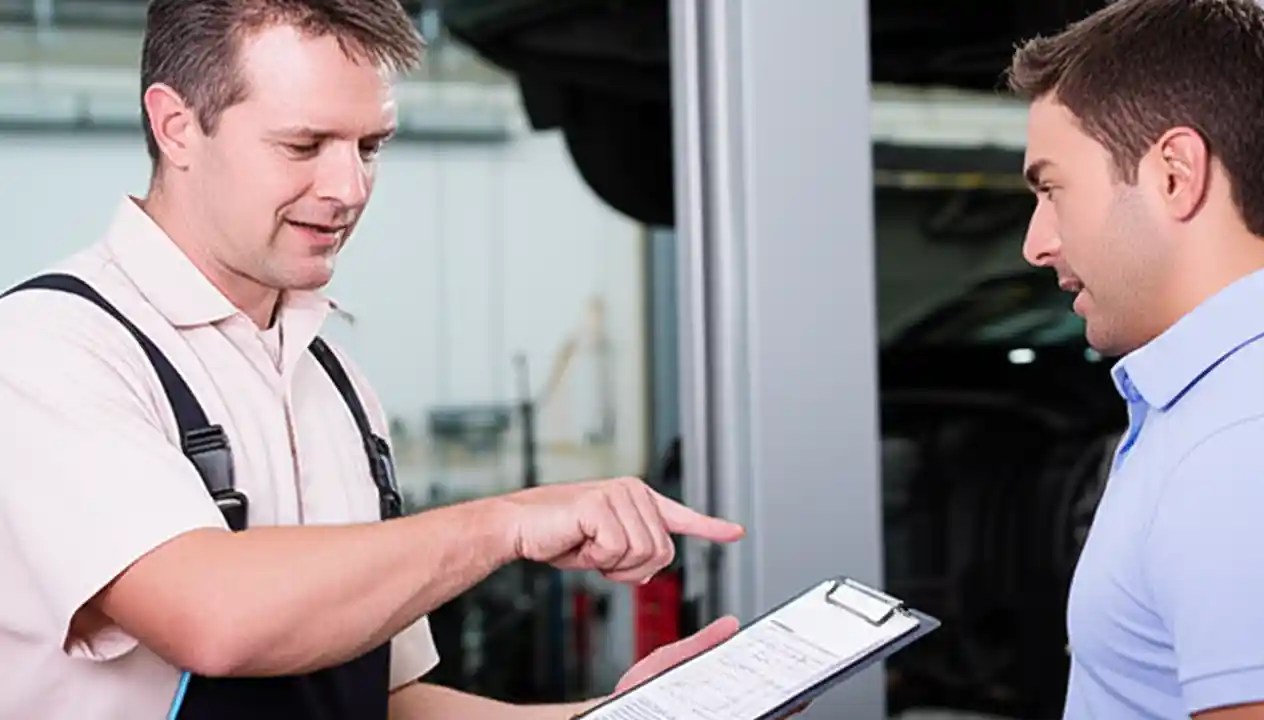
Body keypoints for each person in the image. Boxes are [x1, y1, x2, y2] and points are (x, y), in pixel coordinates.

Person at [0, 1, 749, 718]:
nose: (348, 189)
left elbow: (387, 703)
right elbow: (214, 620)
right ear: (176, 126)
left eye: (370, 146)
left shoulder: (334, 385)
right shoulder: (51, 348)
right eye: (303, 145)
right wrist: (508, 522)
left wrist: (613, 717)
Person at [1007, 0, 1264, 717]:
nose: (1036, 244)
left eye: (1051, 189)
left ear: (1174, 175)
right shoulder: (1217, 409)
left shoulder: (1243, 441)